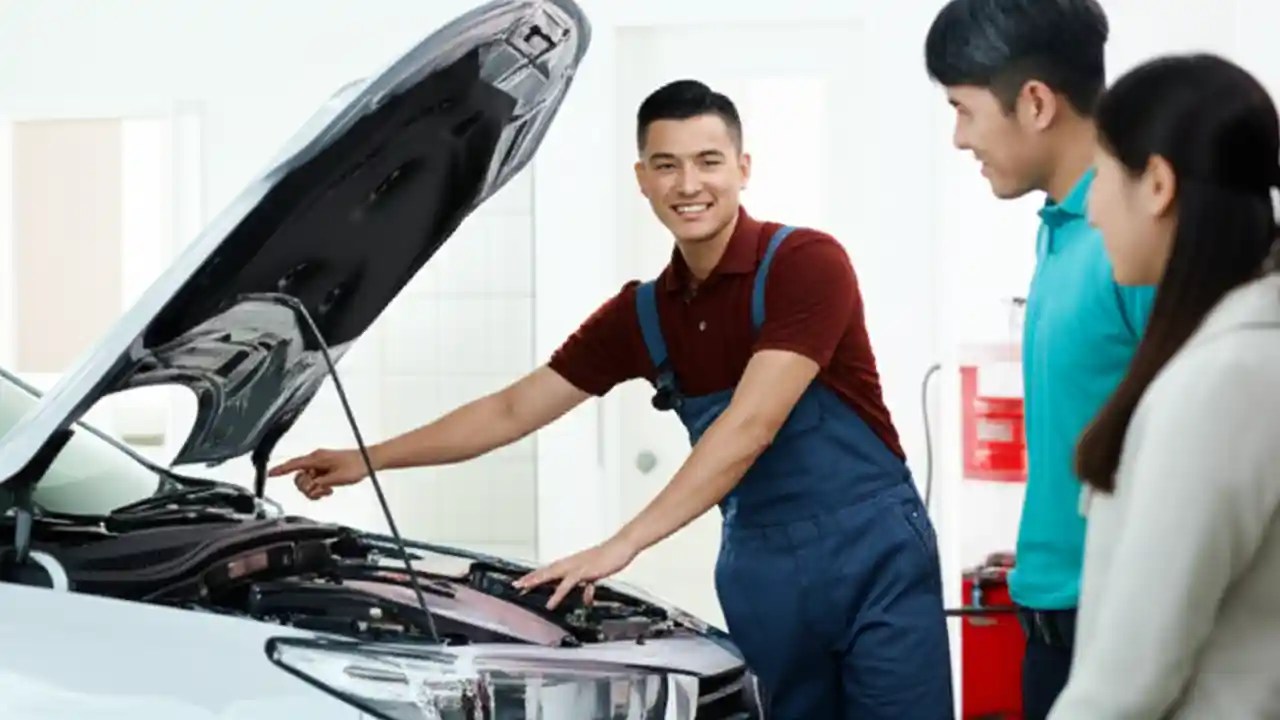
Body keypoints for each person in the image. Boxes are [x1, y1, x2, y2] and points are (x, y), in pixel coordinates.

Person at [270, 79, 954, 718]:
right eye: (666, 165)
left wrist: (620, 545)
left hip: (872, 553)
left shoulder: (805, 264)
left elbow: (752, 425)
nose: (689, 185)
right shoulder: (643, 314)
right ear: (642, 180)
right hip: (764, 569)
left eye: (708, 161)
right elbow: (513, 409)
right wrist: (370, 457)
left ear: (744, 168)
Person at [924, 1, 1156, 716]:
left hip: (1123, 631)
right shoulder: (1060, 230)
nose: (959, 138)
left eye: (964, 110)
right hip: (1053, 626)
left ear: (1034, 103)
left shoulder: (1140, 243)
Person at [1047, 53, 1280, 719]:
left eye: (1103, 176)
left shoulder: (1223, 383)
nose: (1092, 210)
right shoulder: (1236, 353)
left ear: (1156, 184)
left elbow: (1131, 677)